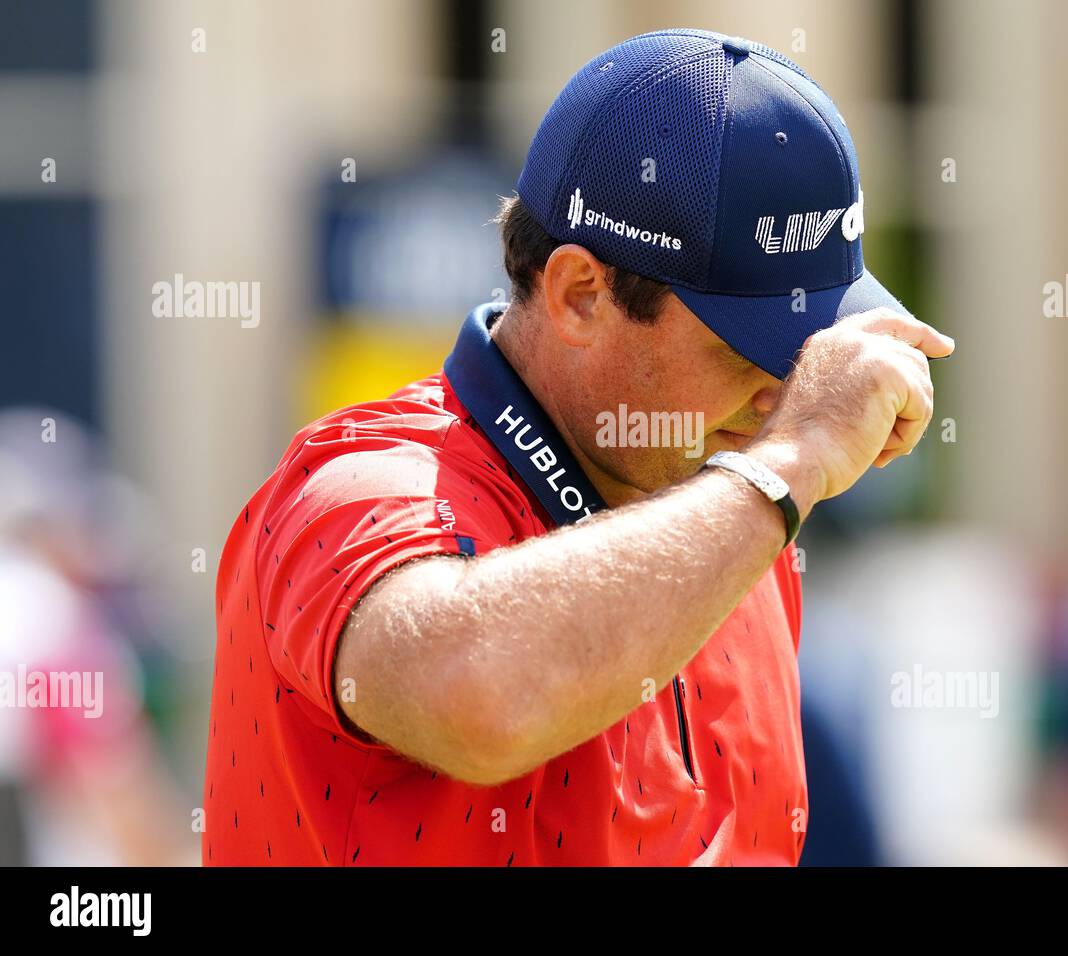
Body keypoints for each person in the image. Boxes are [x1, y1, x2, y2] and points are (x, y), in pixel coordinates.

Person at [202, 28, 953, 866]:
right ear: (580, 295)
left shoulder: (735, 511)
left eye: (816, 349)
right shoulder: (350, 487)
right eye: (749, 349)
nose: (786, 399)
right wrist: (788, 465)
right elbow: (477, 702)